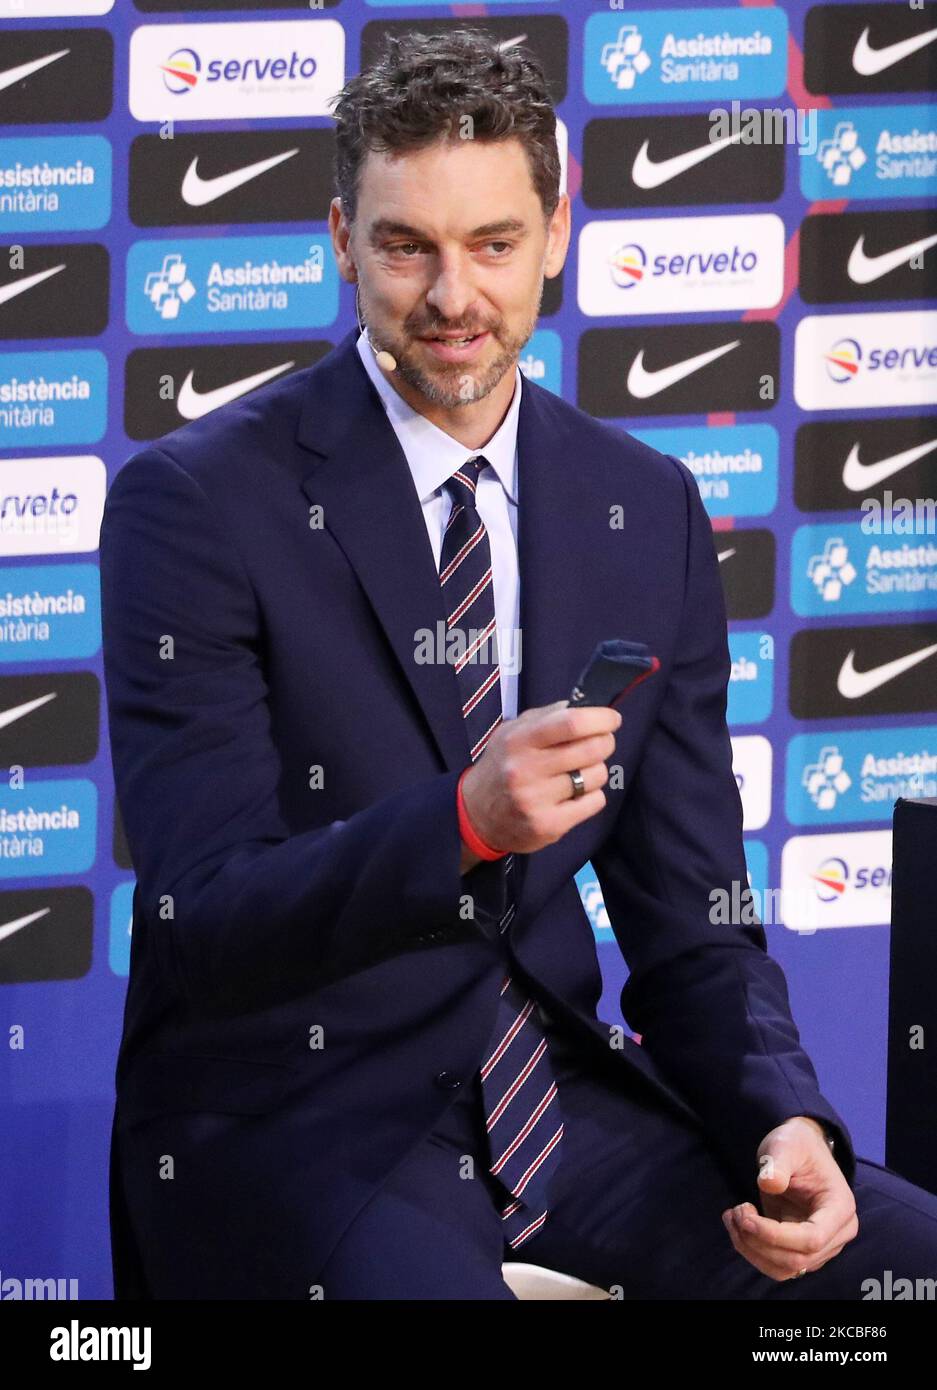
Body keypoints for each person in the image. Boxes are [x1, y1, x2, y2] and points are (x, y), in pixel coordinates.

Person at [100, 30, 937, 1299]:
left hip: (556, 1102)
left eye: (492, 244)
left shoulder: (643, 506)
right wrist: (463, 825)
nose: (453, 297)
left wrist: (784, 1119)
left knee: (902, 1269)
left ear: (555, 232)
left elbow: (693, 919)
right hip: (300, 1117)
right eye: (405, 246)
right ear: (340, 238)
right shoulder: (197, 505)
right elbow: (205, 914)